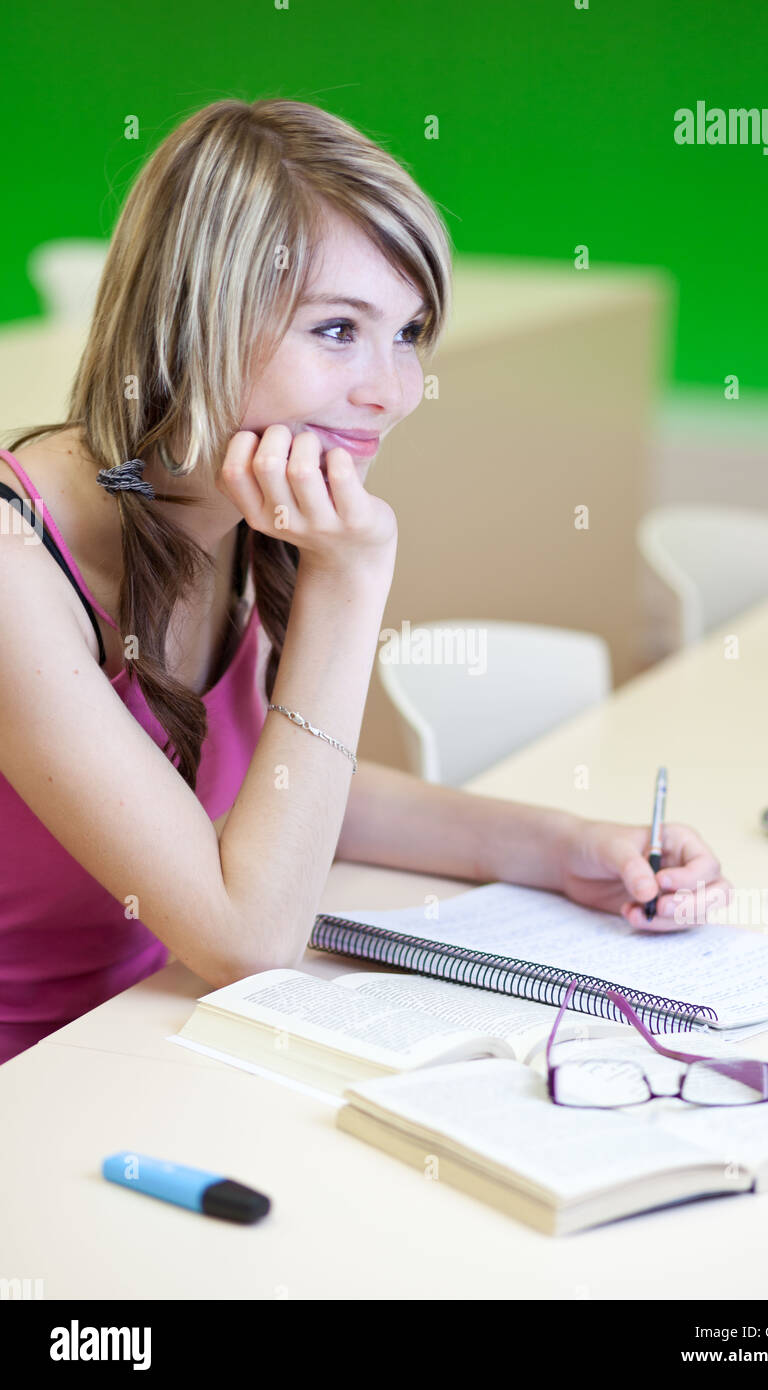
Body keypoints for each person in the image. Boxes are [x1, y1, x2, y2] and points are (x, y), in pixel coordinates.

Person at [0, 98, 730, 1065]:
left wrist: (562, 848)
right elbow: (246, 940)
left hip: (154, 1037)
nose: (392, 390)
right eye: (338, 329)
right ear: (193, 322)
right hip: (45, 1089)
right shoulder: (18, 571)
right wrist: (349, 582)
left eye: (410, 330)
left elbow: (279, 791)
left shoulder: (224, 500)